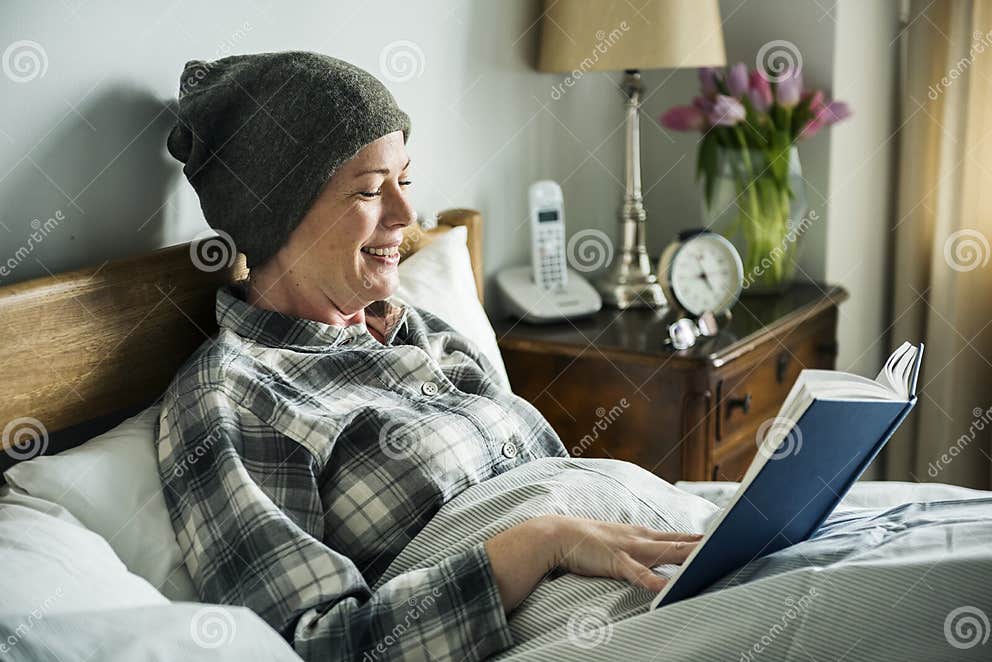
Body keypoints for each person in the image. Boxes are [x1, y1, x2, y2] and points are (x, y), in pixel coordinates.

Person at [158, 51, 701, 662]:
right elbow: (318, 647)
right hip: (597, 624)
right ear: (277, 217)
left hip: (673, 545)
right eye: (369, 190)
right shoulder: (232, 395)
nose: (406, 216)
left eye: (404, 181)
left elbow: (551, 476)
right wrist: (538, 543)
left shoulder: (419, 330)